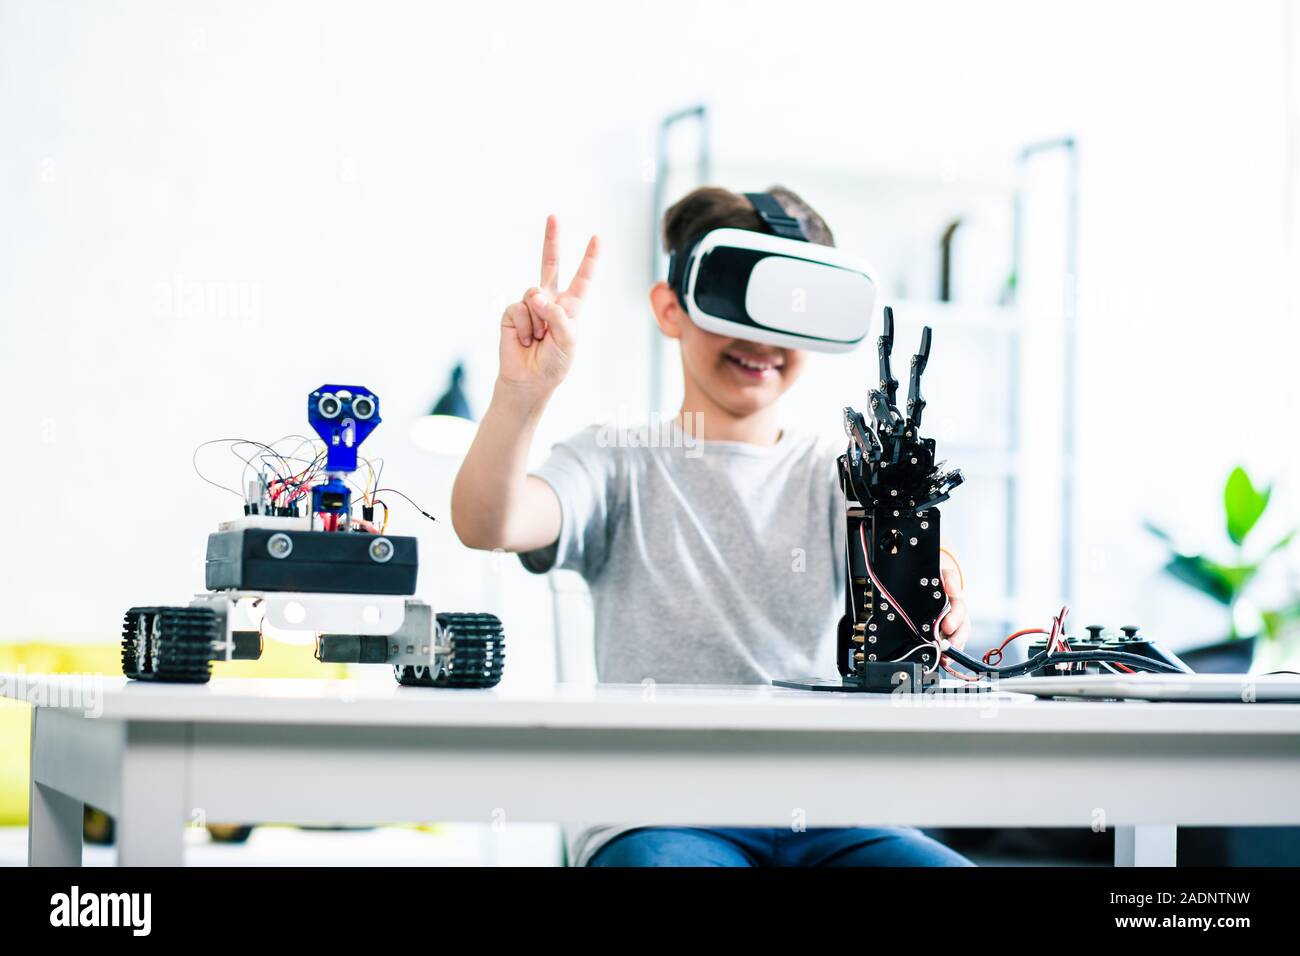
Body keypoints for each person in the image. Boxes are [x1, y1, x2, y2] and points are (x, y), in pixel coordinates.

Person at [451, 185, 972, 867]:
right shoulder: (617, 460)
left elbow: (917, 591)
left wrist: (939, 591)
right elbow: (492, 521)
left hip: (833, 814)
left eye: (787, 313)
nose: (760, 340)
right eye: (737, 305)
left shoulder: (844, 476)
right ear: (672, 308)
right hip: (661, 817)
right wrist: (522, 393)